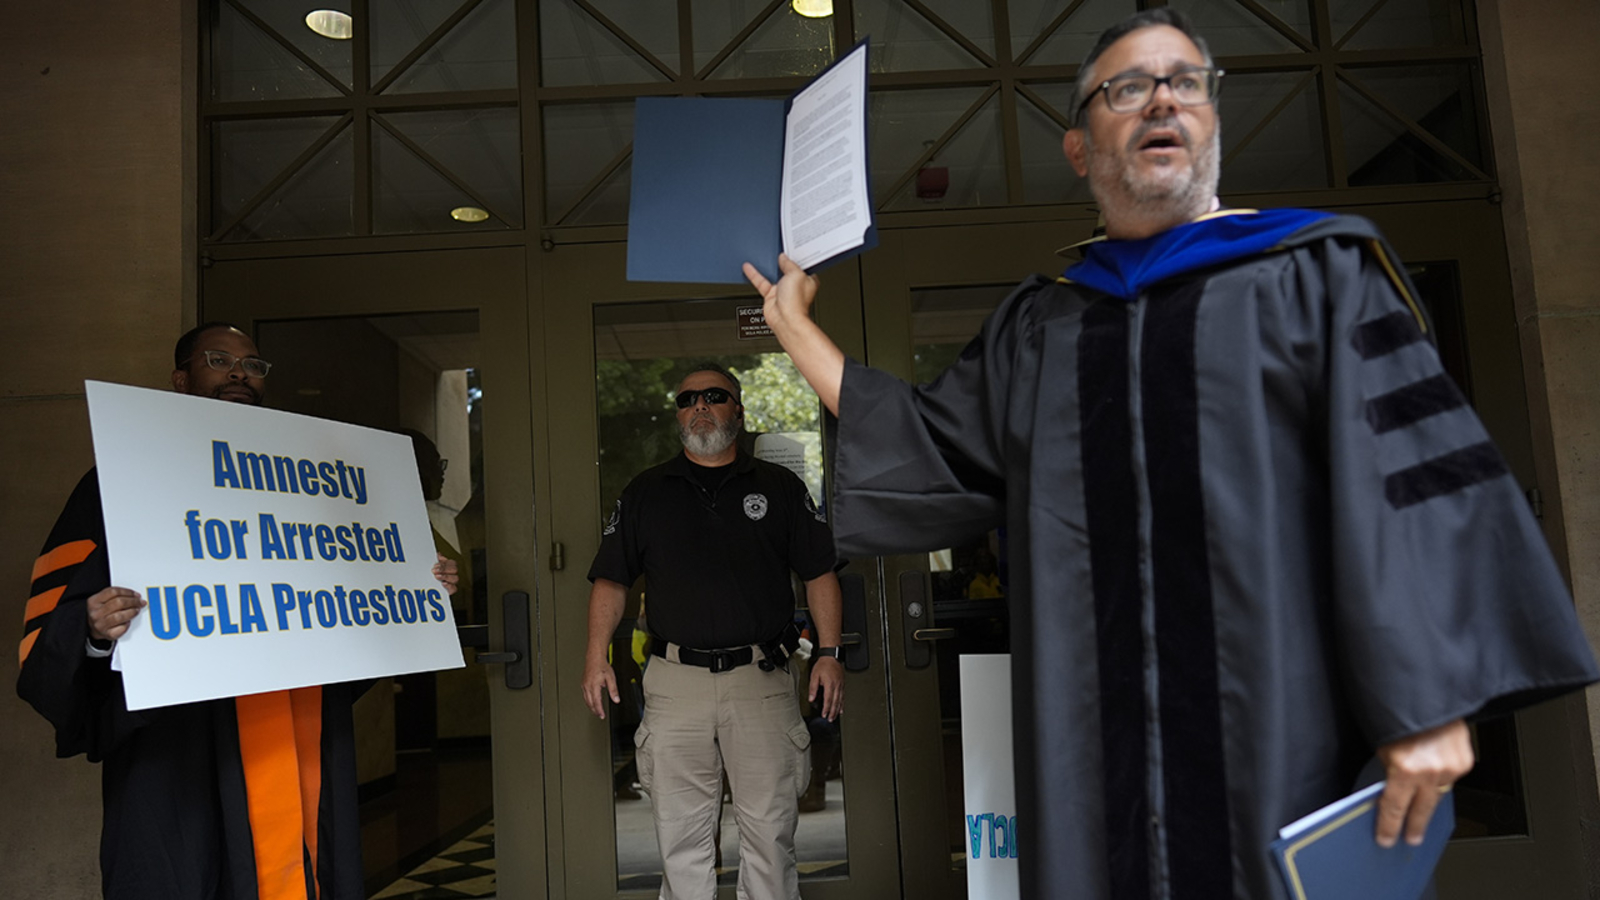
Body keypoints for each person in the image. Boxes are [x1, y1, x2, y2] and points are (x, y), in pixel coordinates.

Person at [744, 10, 1600, 899]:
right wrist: (795, 328)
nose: (1162, 98)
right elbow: (924, 439)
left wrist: (1430, 702)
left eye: (1186, 82)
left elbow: (1414, 491)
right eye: (1127, 87)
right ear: (1080, 147)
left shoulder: (1320, 279)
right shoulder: (1043, 332)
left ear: (1212, 122)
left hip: (1280, 741)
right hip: (1094, 766)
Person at [17, 322, 459, 900]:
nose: (239, 374)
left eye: (253, 366)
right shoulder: (122, 482)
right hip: (180, 756)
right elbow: (53, 631)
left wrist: (411, 592)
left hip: (297, 741)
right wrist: (94, 631)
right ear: (181, 379)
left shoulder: (309, 494)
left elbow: (345, 615)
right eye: (218, 359)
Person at [582, 363, 844, 900]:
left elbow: (819, 574)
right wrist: (595, 656)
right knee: (682, 839)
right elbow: (611, 581)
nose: (699, 406)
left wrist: (829, 652)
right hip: (676, 683)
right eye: (687, 400)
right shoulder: (646, 493)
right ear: (678, 416)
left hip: (762, 679)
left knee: (770, 836)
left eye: (714, 395)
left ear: (738, 411)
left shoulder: (780, 487)